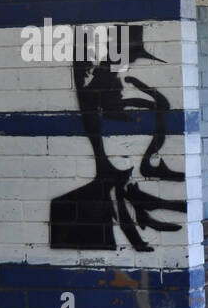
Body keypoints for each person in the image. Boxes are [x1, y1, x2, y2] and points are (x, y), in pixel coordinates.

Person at [50, 24, 185, 251]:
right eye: (121, 116)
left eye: (143, 115)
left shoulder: (175, 193)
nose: (136, 134)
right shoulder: (71, 211)